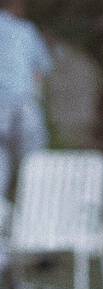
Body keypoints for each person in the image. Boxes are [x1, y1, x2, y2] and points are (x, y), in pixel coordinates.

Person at [0, 0, 51, 222]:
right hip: (23, 106)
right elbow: (42, 69)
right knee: (34, 168)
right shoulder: (26, 30)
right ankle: (34, 229)